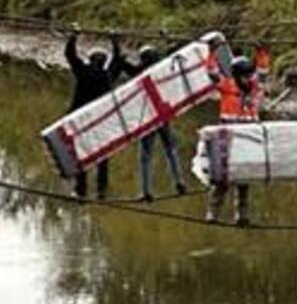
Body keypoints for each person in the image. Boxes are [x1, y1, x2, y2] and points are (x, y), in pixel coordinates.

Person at [111, 42, 189, 203]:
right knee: (171, 149)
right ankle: (180, 183)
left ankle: (146, 191)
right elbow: (172, 57)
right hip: (162, 115)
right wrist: (168, 41)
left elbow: (124, 65)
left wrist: (118, 50)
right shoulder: (162, 68)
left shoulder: (139, 71)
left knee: (146, 157)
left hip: (148, 118)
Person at [204, 43, 270, 225]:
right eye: (245, 77)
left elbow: (263, 72)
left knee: (244, 178)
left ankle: (242, 215)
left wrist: (261, 52)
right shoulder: (227, 87)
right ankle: (213, 212)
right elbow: (212, 72)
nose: (248, 80)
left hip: (248, 137)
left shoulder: (255, 88)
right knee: (223, 178)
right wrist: (211, 52)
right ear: (236, 76)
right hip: (228, 139)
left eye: (249, 76)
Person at [63, 30, 120, 199]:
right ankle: (102, 190)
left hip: (79, 119)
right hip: (99, 120)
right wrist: (114, 39)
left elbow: (69, 55)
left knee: (81, 153)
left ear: (90, 59)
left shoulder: (82, 71)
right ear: (103, 62)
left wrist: (74, 35)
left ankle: (81, 190)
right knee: (102, 154)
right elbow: (117, 58)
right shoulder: (107, 76)